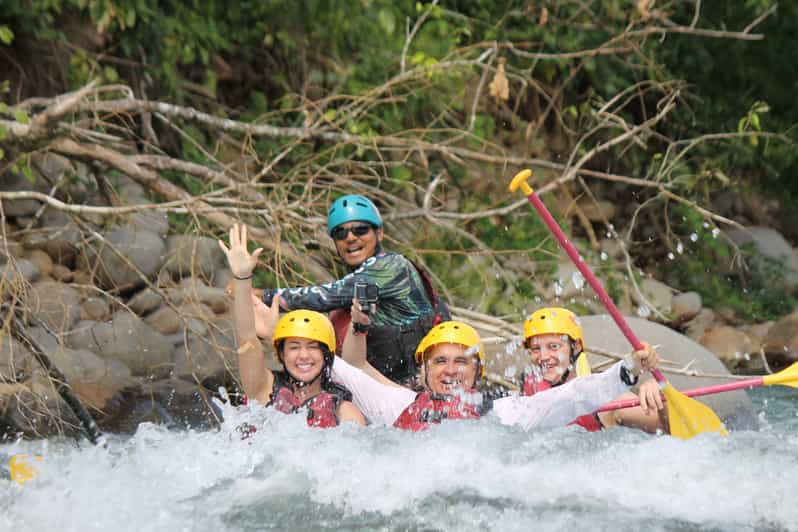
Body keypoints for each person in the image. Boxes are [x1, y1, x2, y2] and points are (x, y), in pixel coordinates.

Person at [330, 302, 663, 432]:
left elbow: (575, 395)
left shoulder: (504, 412)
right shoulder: (400, 403)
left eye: (461, 361)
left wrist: (632, 372)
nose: (450, 370)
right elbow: (349, 371)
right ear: (424, 371)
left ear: (477, 372)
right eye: (441, 361)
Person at [256, 194, 448, 385]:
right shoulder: (346, 300)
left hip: (417, 392)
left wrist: (262, 296)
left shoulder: (392, 266)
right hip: (377, 392)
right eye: (341, 233)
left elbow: (323, 297)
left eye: (360, 230)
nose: (350, 238)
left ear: (379, 233)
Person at [220, 224, 366, 428]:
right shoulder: (263, 388)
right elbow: (247, 339)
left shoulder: (345, 411)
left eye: (313, 347)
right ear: (281, 354)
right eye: (294, 347)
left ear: (327, 354)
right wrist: (242, 278)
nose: (303, 355)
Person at [520, 307, 666, 433]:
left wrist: (660, 391)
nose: (543, 356)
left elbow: (668, 427)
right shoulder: (529, 388)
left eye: (554, 347)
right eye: (536, 349)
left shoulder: (605, 398)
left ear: (576, 347)